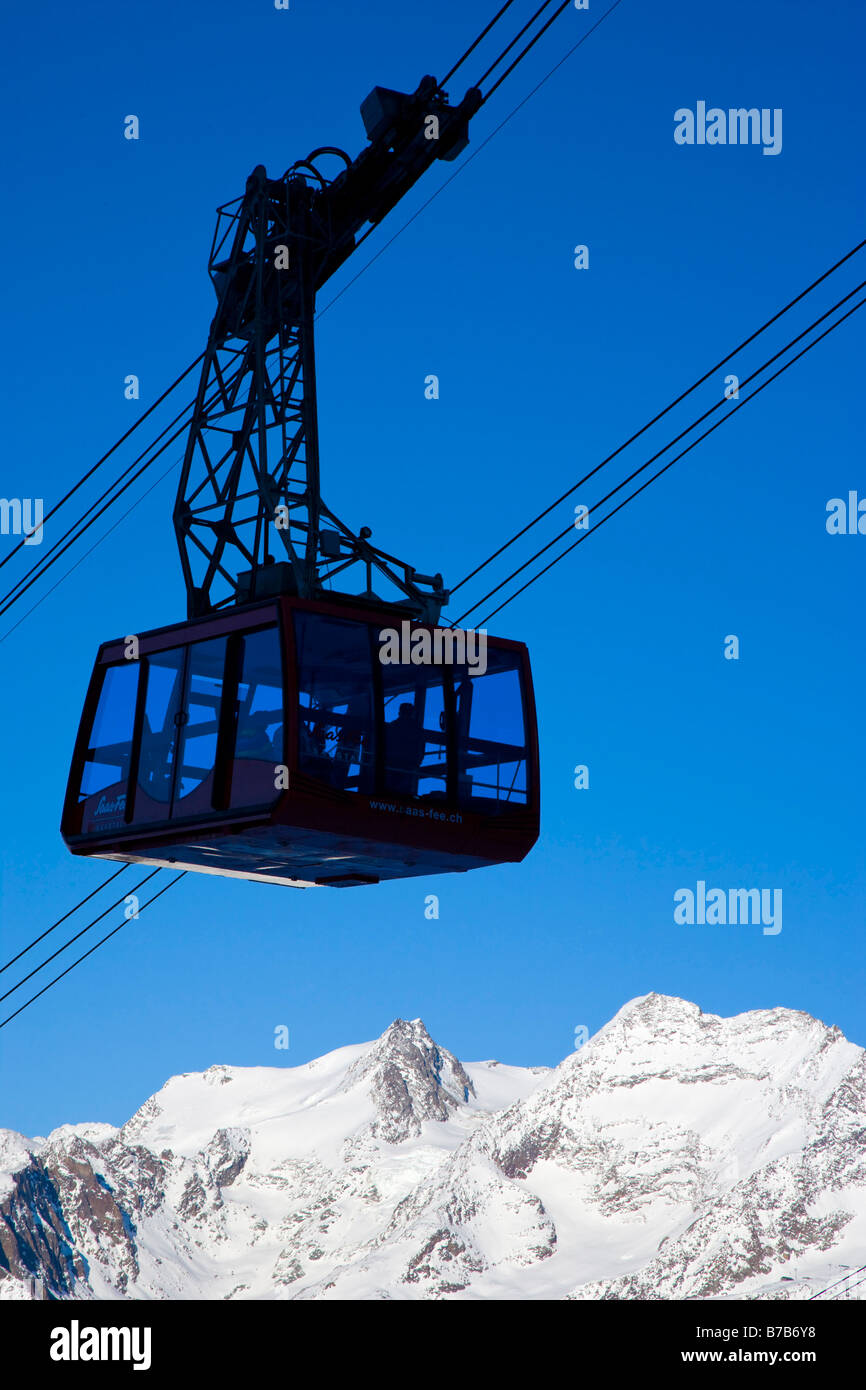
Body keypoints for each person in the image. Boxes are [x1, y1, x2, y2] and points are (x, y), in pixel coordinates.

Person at [385, 702, 425, 798]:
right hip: (408, 765)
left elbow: (385, 743)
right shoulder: (417, 728)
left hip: (392, 763)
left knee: (389, 791)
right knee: (404, 792)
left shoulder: (392, 726)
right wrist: (417, 763)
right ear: (412, 713)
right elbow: (421, 747)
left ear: (400, 712)